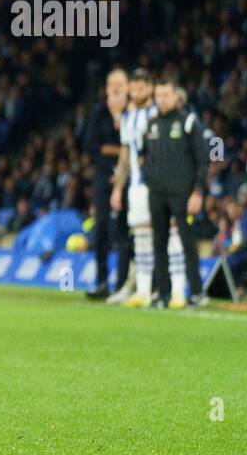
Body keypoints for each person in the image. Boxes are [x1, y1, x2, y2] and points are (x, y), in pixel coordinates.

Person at [139, 76, 209, 308]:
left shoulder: (189, 122)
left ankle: (197, 292)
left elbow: (202, 160)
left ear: (176, 96)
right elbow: (143, 156)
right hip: (157, 193)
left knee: (188, 242)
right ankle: (163, 293)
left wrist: (198, 192)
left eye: (166, 95)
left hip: (183, 194)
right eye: (159, 95)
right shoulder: (151, 124)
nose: (162, 100)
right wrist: (149, 178)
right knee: (159, 242)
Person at [110, 69, 159, 307]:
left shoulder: (158, 113)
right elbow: (125, 155)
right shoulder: (128, 119)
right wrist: (118, 187)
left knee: (162, 235)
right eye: (135, 87)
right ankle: (143, 289)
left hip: (160, 184)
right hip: (137, 186)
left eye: (143, 86)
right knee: (140, 235)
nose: (138, 91)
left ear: (150, 88)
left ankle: (164, 288)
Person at [83, 67, 128, 299]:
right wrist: (121, 151)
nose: (117, 88)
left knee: (124, 227)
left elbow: (137, 147)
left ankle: (122, 283)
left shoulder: (133, 113)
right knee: (101, 225)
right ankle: (101, 280)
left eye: (121, 83)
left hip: (128, 175)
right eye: (113, 84)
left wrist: (117, 154)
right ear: (107, 88)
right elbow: (90, 145)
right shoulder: (99, 112)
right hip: (103, 175)